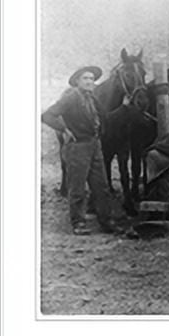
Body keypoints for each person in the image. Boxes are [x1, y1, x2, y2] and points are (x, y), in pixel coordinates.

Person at [40, 65, 130, 236]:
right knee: (78, 187)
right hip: (77, 147)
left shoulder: (92, 98)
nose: (90, 81)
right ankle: (78, 222)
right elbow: (47, 115)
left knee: (101, 186)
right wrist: (64, 129)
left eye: (91, 79)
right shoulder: (71, 98)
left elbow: (107, 119)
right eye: (85, 78)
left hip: (95, 146)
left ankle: (106, 221)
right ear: (77, 82)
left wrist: (124, 107)